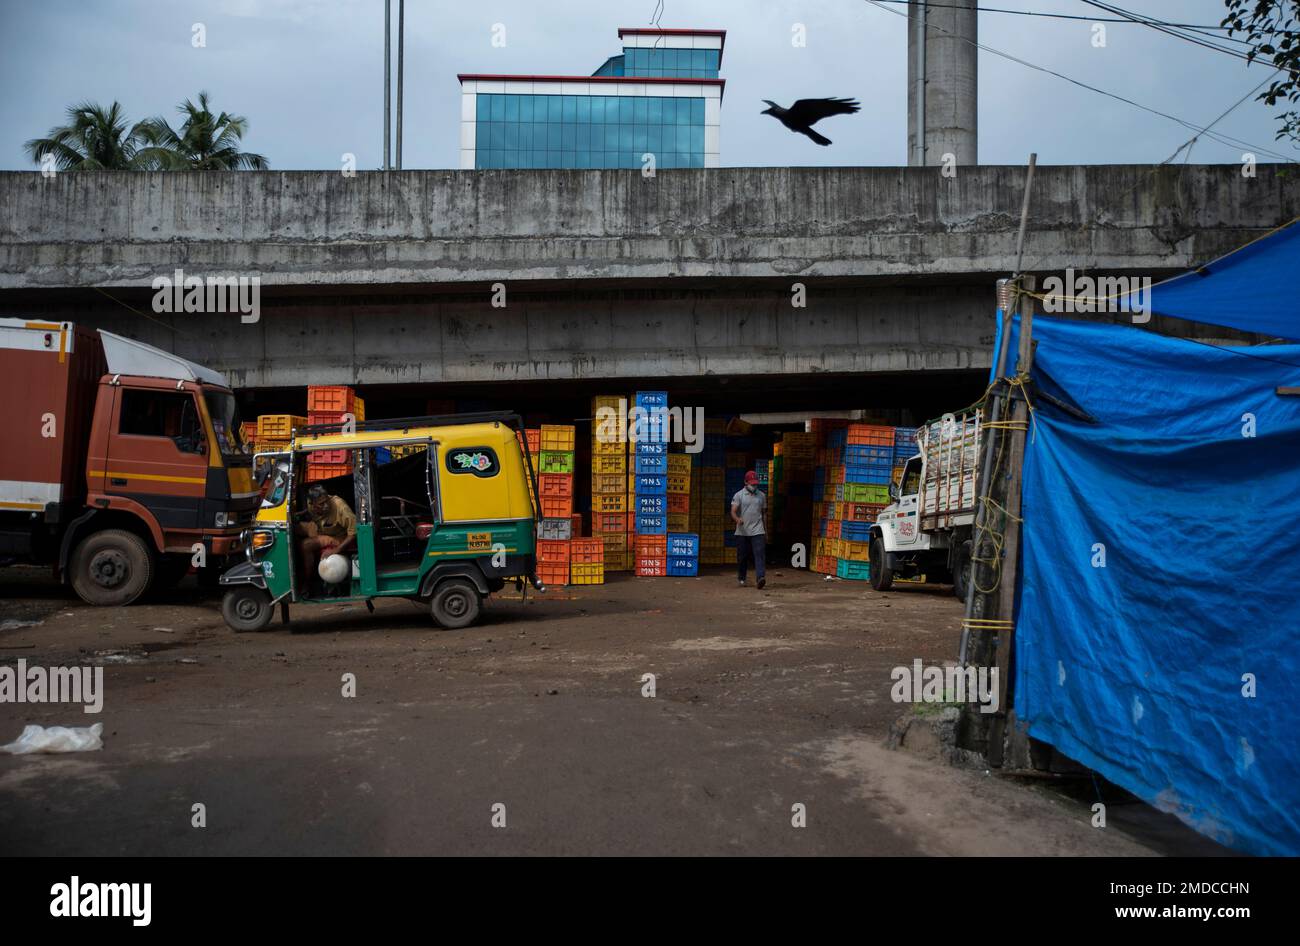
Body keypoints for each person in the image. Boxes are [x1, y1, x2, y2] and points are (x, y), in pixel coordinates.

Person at [296, 483, 357, 592]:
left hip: (339, 537)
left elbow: (353, 532)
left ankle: (308, 582)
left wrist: (335, 550)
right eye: (321, 504)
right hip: (321, 528)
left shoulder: (340, 507)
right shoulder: (310, 504)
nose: (326, 506)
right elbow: (311, 513)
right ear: (312, 503)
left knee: (306, 545)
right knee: (294, 529)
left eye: (326, 501)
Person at [731, 470, 767, 589]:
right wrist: (737, 519)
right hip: (742, 531)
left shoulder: (762, 496)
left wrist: (765, 530)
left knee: (759, 554)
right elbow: (733, 511)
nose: (754, 486)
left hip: (758, 530)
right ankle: (742, 577)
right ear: (745, 482)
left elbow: (764, 513)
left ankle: (760, 577)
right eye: (752, 484)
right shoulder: (739, 495)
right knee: (742, 556)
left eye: (756, 484)